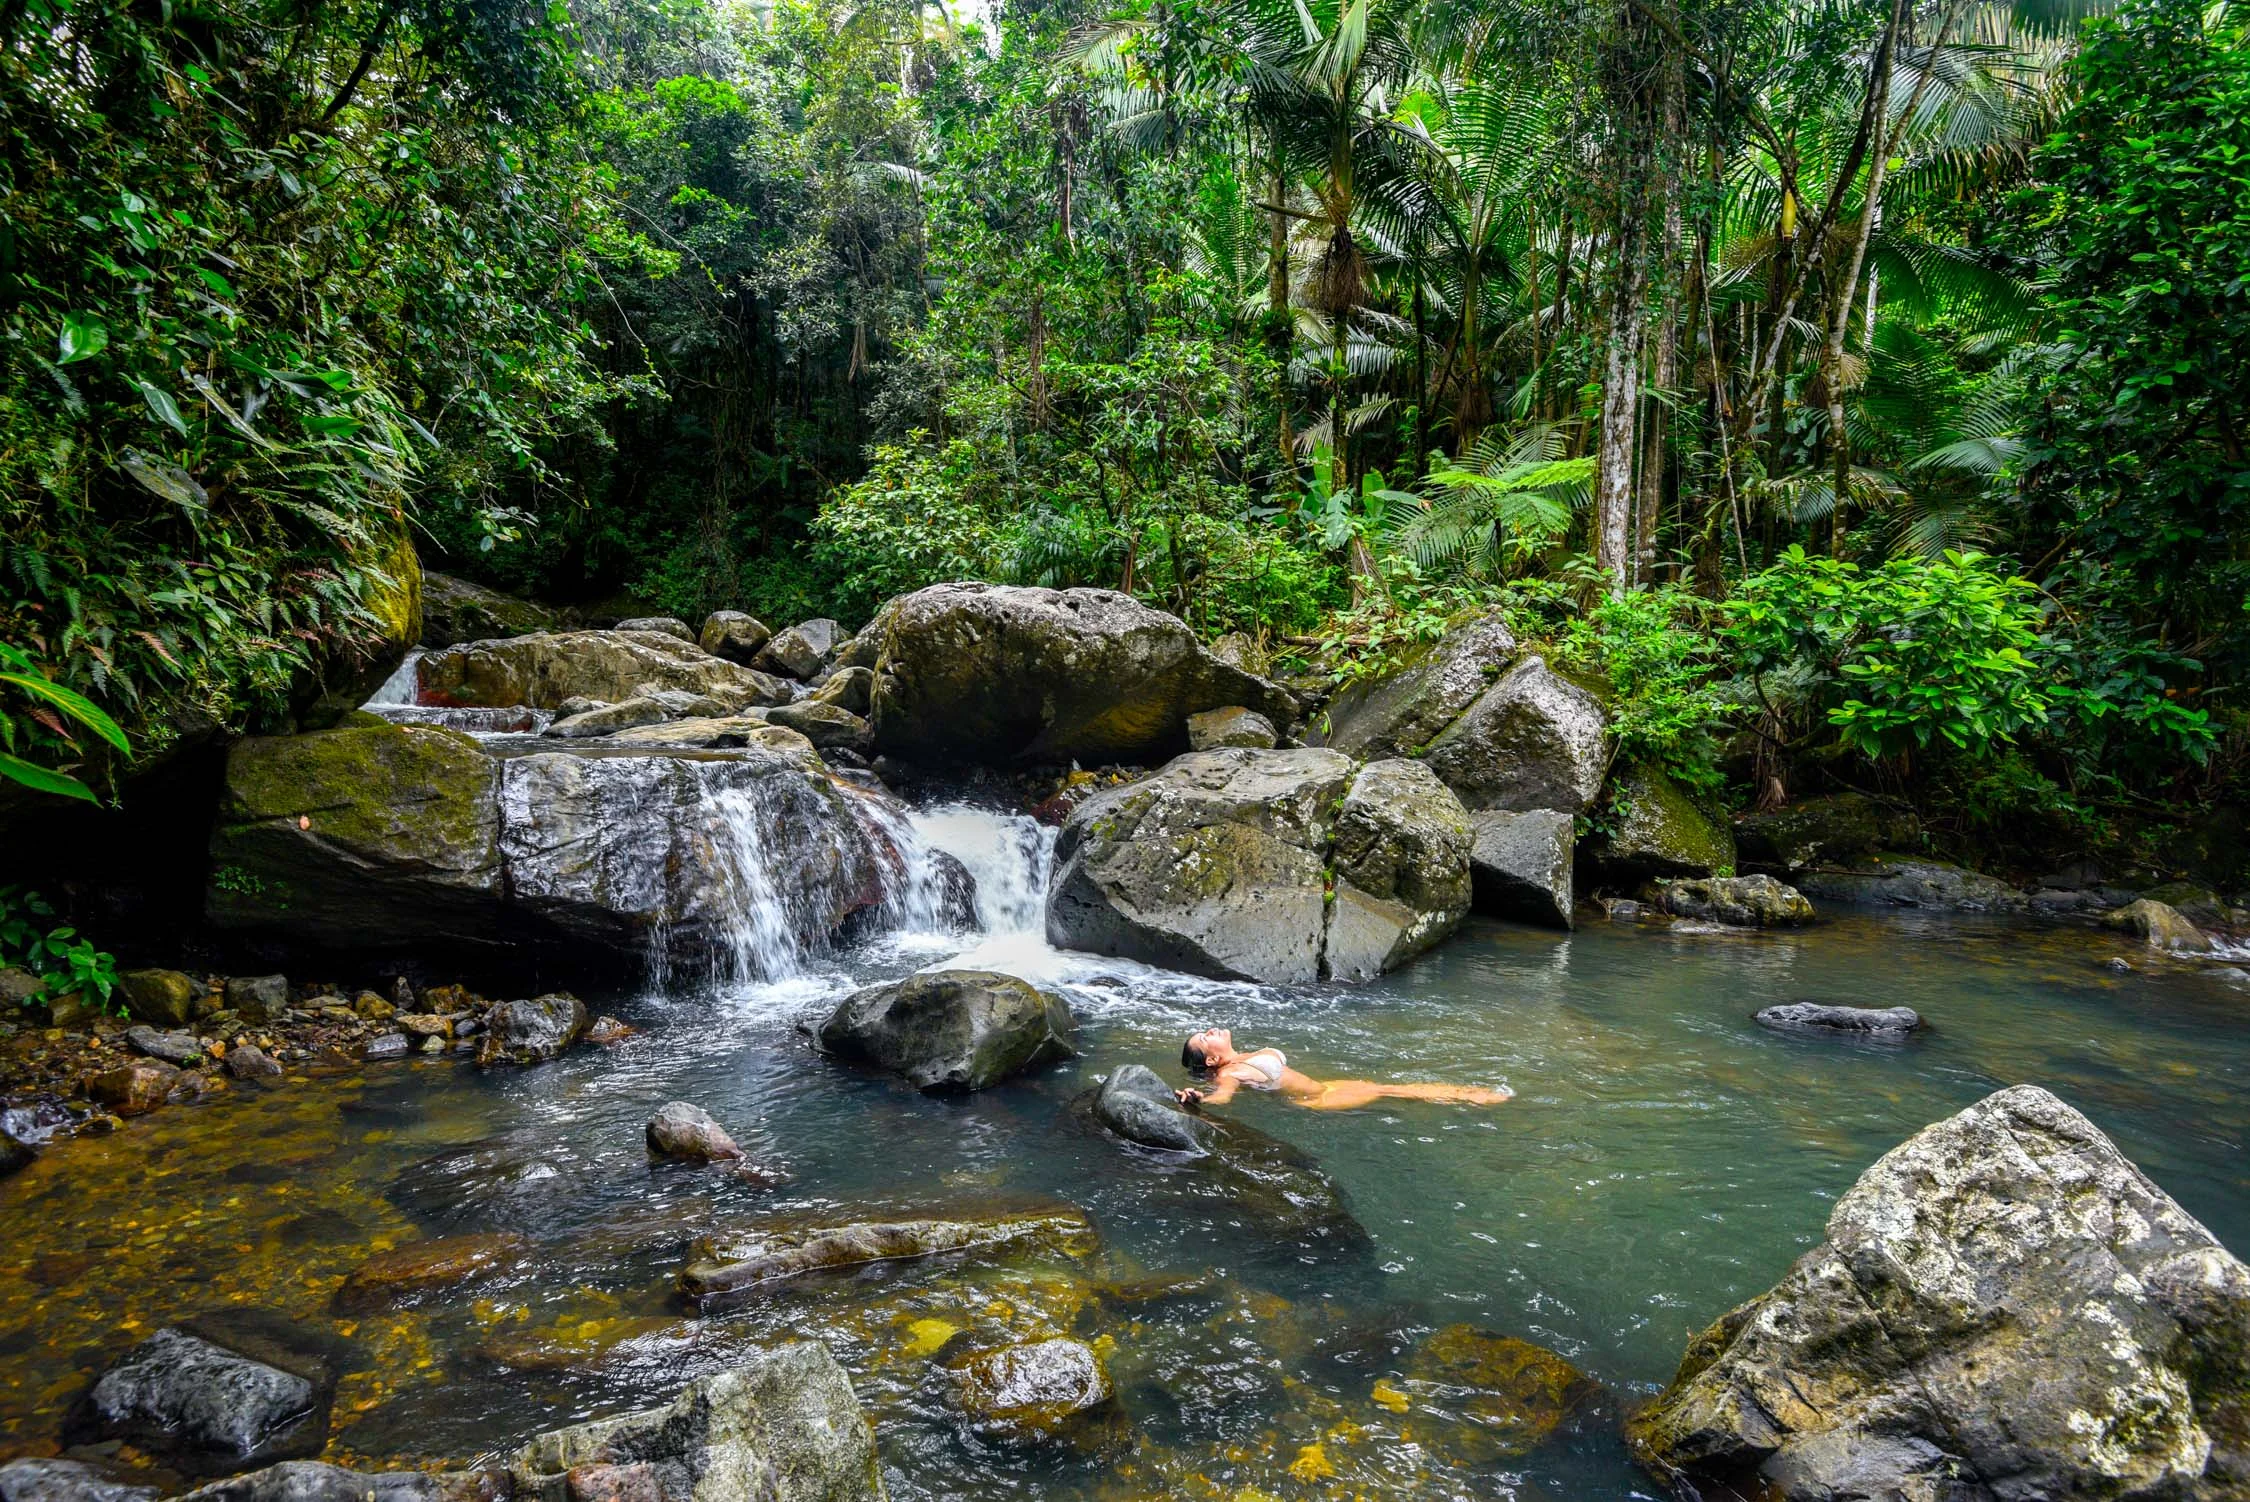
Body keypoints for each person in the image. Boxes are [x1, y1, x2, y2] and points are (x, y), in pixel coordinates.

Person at [1174, 1027, 1512, 1111]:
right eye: (1205, 1037)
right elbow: (1223, 1097)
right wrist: (1198, 1100)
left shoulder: (1241, 1056)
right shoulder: (1229, 1074)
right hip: (1317, 1101)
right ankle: (1477, 1098)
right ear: (1212, 1061)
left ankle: (1468, 1095)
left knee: (1390, 1087)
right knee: (1390, 1090)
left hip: (1324, 1086)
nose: (1211, 1030)